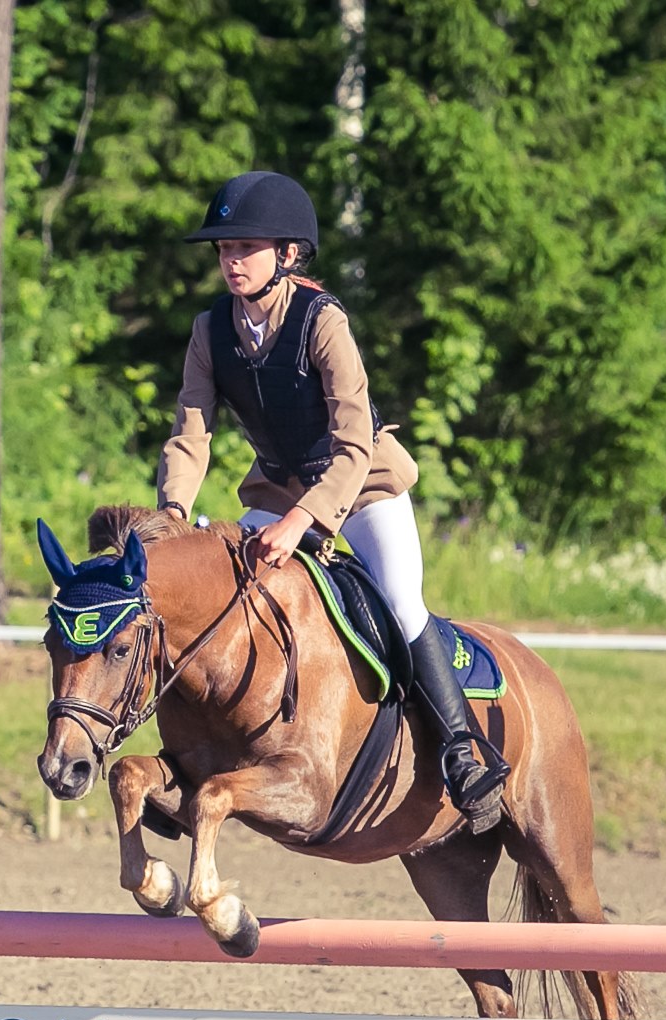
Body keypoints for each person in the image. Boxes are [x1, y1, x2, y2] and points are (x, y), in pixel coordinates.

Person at [155, 170, 509, 830]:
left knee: (400, 600)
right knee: (223, 593)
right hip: (279, 486)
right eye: (225, 249)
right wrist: (173, 514)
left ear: (288, 253)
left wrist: (302, 521)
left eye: (245, 247)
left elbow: (351, 445)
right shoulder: (211, 330)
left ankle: (462, 752)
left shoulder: (323, 321)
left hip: (362, 482)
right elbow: (191, 433)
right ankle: (197, 755)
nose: (231, 260)